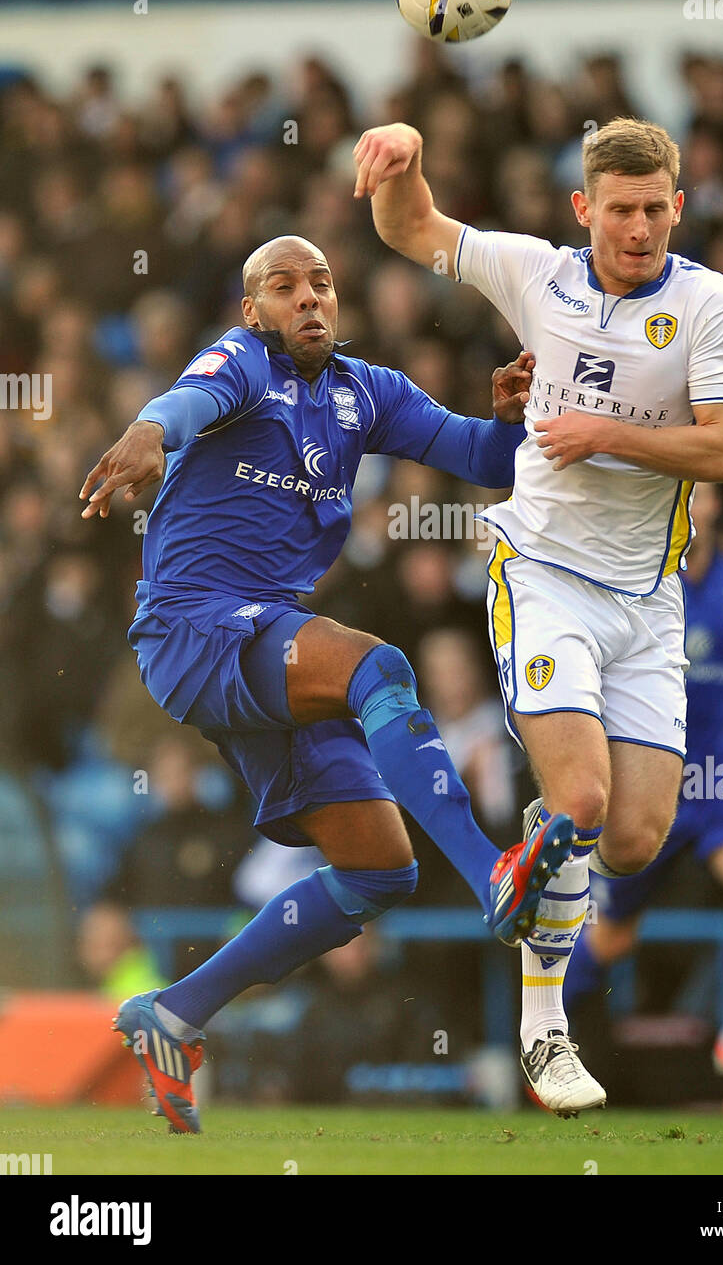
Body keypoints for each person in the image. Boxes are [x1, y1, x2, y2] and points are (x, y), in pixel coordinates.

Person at [80, 233, 574, 1133]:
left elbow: (484, 460)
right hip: (194, 627)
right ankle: (493, 877)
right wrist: (149, 431)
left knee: (378, 870)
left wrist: (509, 419)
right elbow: (188, 400)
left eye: (321, 283)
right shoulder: (241, 364)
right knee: (375, 665)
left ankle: (177, 1011)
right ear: (252, 309)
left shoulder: (363, 391)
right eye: (283, 285)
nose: (308, 298)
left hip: (264, 642)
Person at [355, 115, 723, 1114]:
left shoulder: (710, 303)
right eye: (621, 209)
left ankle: (550, 839)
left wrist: (602, 431)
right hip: (541, 574)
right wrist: (404, 155)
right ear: (586, 209)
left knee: (632, 837)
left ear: (677, 205)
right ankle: (546, 1031)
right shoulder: (539, 275)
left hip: (649, 604)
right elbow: (417, 231)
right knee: (581, 803)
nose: (641, 227)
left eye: (657, 207)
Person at [563, 483, 723, 1100]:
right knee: (612, 936)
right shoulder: (632, 577)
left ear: (715, 503)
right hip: (648, 776)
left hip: (720, 774)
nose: (696, 505)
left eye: (705, 494)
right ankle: (548, 1033)